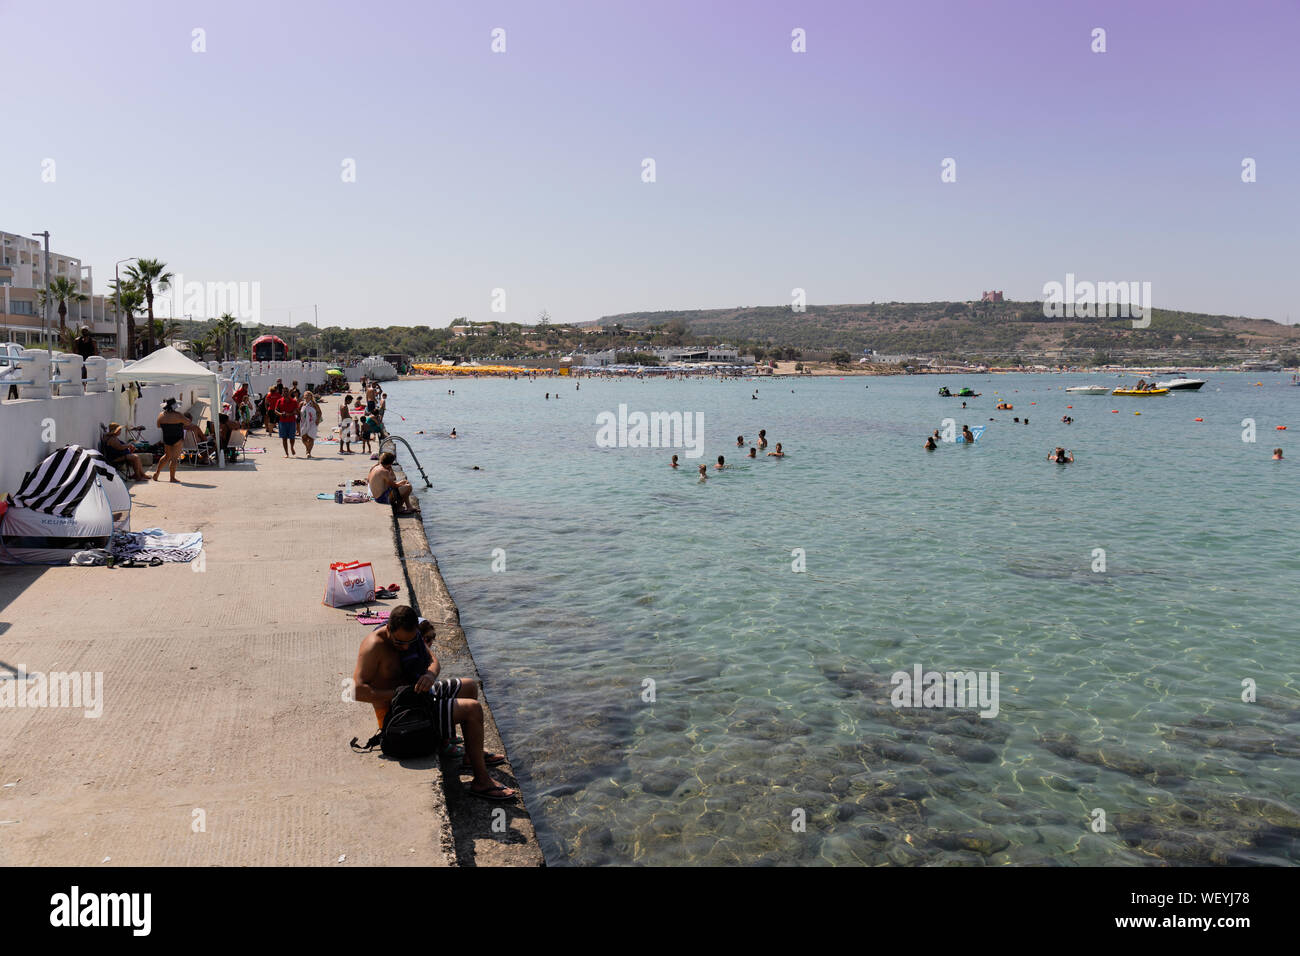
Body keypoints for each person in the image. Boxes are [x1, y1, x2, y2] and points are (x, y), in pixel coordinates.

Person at [352, 605, 515, 802]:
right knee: (473, 710)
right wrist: (399, 694)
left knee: (469, 686)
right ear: (388, 629)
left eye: (410, 642)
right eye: (399, 642)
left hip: (419, 698)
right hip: (399, 717)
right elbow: (358, 691)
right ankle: (482, 781)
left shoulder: (413, 638)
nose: (405, 647)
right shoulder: (373, 646)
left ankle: (471, 756)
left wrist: (430, 675)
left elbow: (433, 661)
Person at [152, 399, 203, 482]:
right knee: (174, 458)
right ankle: (172, 478)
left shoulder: (161, 415)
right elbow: (188, 422)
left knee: (166, 456)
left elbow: (158, 425)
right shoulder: (178, 415)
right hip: (177, 438)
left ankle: (157, 473)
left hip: (166, 437)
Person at [276, 388, 300, 458]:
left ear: (289, 393)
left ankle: (292, 447)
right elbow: (276, 410)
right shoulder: (279, 401)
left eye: (287, 392)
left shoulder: (294, 401)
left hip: (291, 421)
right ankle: (286, 453)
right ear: (282, 393)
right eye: (284, 392)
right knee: (284, 438)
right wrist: (281, 414)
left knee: (292, 437)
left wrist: (291, 413)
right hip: (282, 422)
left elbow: (297, 411)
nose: (285, 393)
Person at [300, 391, 321, 458]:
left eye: (309, 395)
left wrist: (318, 419)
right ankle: (307, 448)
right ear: (304, 396)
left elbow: (319, 412)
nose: (307, 396)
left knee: (311, 437)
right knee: (304, 437)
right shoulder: (301, 403)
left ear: (311, 396)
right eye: (306, 395)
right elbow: (297, 411)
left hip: (312, 422)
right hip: (303, 422)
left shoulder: (314, 404)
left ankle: (308, 452)